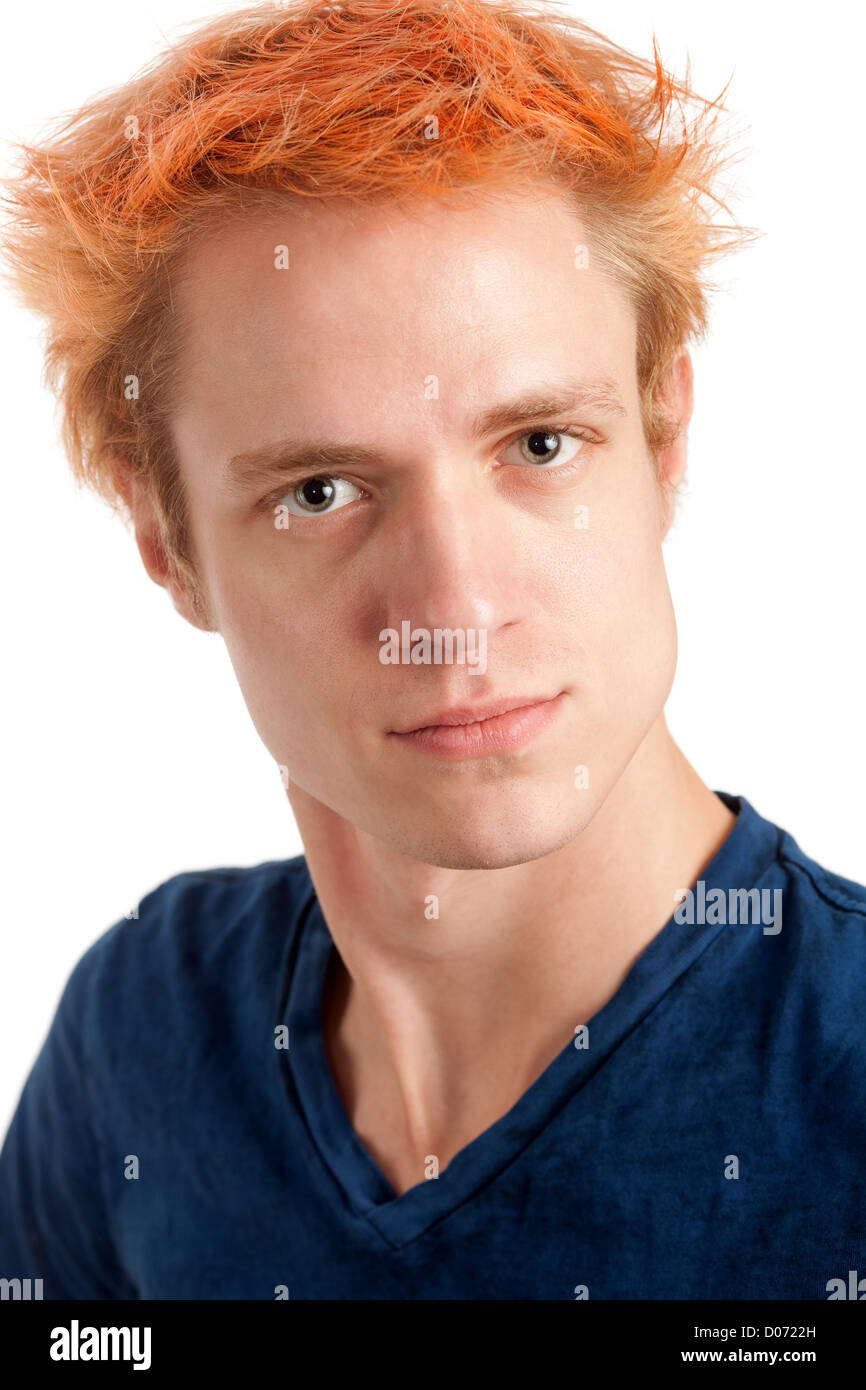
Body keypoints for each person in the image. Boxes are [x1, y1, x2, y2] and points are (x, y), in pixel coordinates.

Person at [0, 0, 863, 1301]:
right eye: (320, 491)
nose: (454, 608)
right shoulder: (142, 1032)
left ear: (663, 437)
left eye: (538, 446)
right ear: (167, 541)